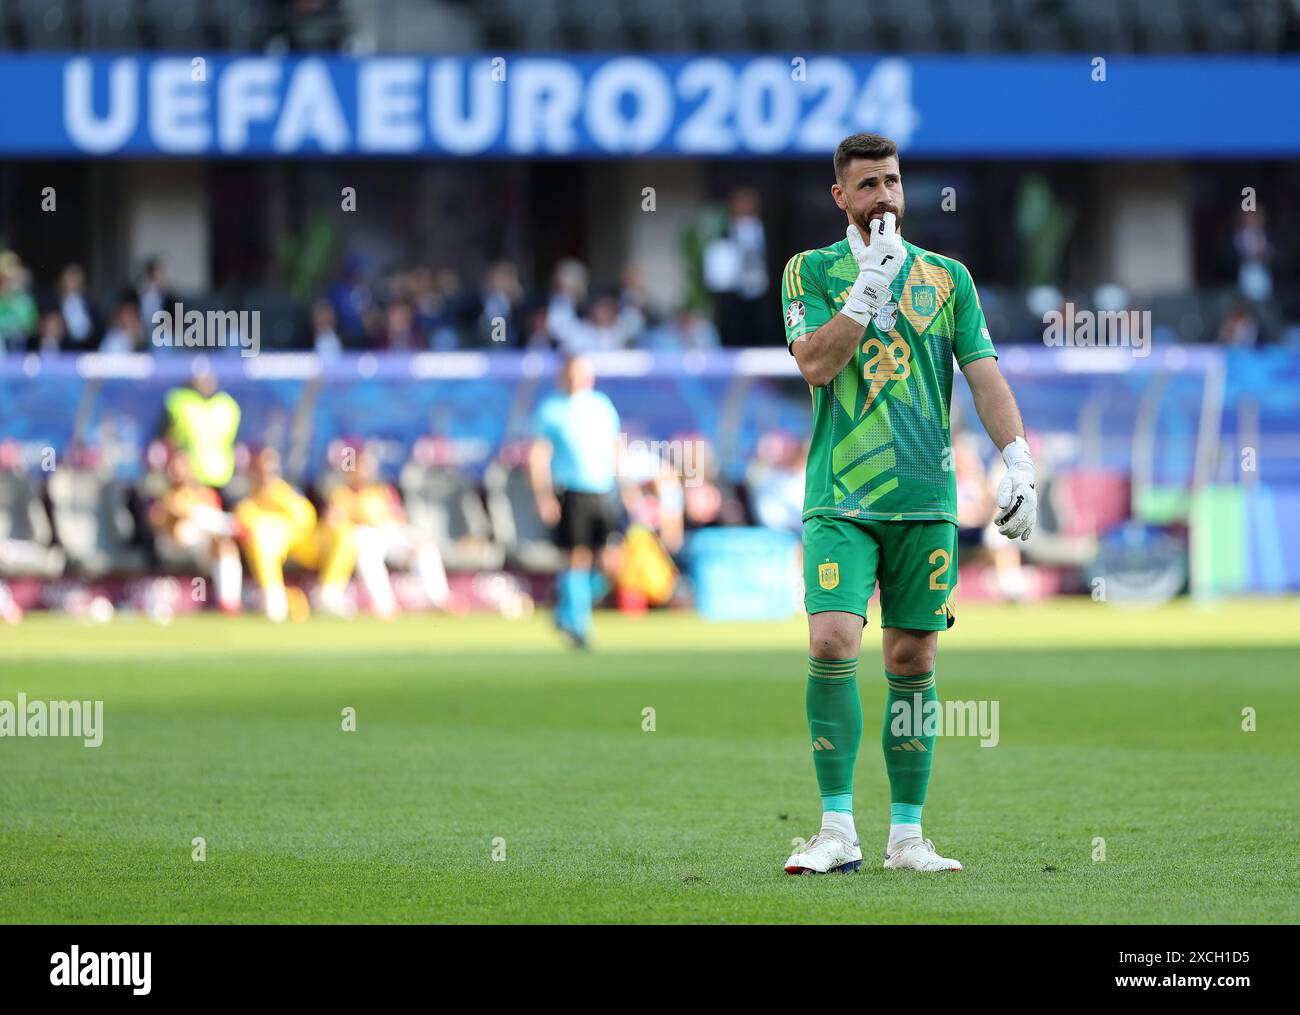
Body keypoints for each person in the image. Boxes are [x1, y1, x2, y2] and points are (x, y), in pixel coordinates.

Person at [781, 133, 1037, 877]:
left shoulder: (947, 277)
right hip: (841, 496)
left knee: (911, 656)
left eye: (891, 182)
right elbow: (817, 364)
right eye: (866, 186)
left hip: (924, 497)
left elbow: (982, 370)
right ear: (840, 197)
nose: (884, 197)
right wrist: (867, 288)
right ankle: (835, 829)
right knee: (832, 638)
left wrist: (1016, 455)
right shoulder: (811, 271)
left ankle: (906, 837)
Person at [528, 354, 622, 648]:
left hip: (603, 489)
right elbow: (538, 455)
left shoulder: (601, 406)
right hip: (571, 490)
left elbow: (616, 445)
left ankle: (565, 608)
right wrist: (543, 496)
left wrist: (626, 486)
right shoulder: (552, 409)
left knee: (612, 562)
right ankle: (578, 626)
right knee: (577, 558)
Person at [234, 447, 356, 621]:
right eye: (261, 469)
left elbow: (306, 518)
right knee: (261, 536)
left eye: (270, 469)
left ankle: (329, 594)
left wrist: (277, 494)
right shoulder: (247, 501)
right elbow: (245, 524)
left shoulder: (287, 491)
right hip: (274, 549)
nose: (266, 474)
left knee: (345, 532)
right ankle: (273, 597)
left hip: (306, 544)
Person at [328, 447, 450, 617]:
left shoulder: (383, 490)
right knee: (367, 548)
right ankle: (384, 605)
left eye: (369, 466)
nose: (367, 470)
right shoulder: (342, 493)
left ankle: (439, 599)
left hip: (390, 534)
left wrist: (408, 542)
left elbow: (398, 519)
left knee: (424, 544)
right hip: (364, 537)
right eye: (362, 466)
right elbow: (336, 522)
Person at [148, 451, 242, 613]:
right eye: (173, 468)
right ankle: (230, 525)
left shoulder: (204, 494)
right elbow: (161, 526)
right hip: (175, 547)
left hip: (202, 546)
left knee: (224, 545)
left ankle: (229, 603)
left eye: (180, 467)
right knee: (193, 520)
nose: (177, 472)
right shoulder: (163, 496)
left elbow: (214, 535)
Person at [163, 370, 241, 492]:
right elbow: (167, 439)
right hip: (190, 480)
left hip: (222, 478)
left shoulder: (227, 405)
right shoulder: (180, 402)